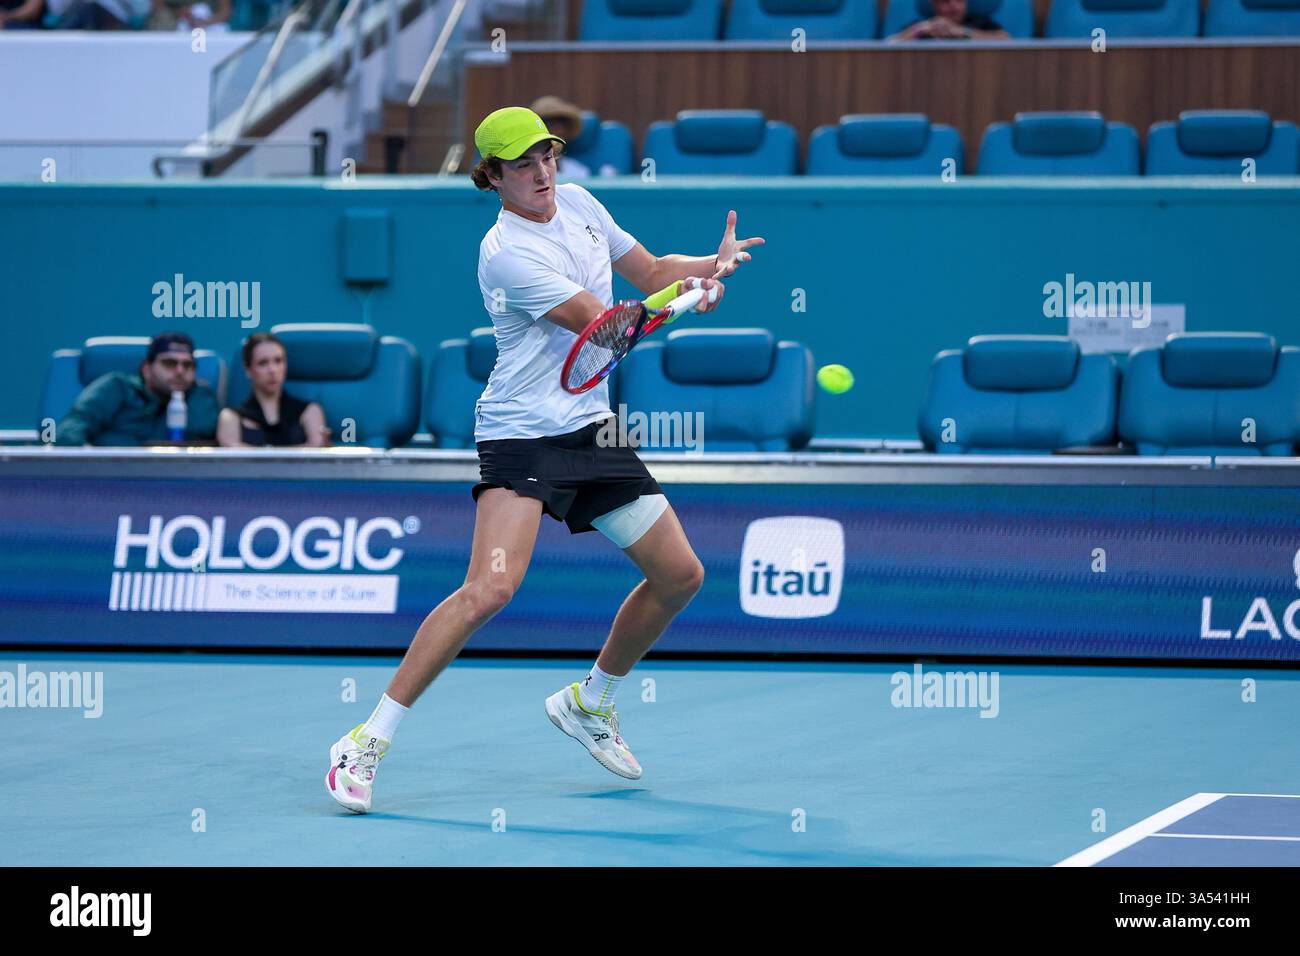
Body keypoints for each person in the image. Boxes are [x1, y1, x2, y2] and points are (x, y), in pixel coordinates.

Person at [324, 105, 763, 813]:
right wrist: (684, 302)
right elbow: (604, 324)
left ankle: (592, 702)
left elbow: (647, 270)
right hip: (522, 434)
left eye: (548, 156)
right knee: (490, 591)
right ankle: (366, 740)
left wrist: (708, 267)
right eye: (523, 164)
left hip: (590, 429)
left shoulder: (582, 203)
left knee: (680, 575)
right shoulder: (505, 253)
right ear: (492, 177)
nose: (542, 173)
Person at [55, 332, 220, 446]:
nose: (180, 371)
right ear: (146, 369)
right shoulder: (116, 387)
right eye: (169, 363)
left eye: (188, 365)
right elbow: (69, 431)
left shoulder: (201, 398)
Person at [216, 332, 328, 447]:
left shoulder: (310, 411)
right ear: (248, 370)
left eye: (278, 361)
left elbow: (316, 456)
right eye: (263, 363)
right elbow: (231, 459)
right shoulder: (230, 417)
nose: (272, 370)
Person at [529, 95, 604, 179]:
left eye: (561, 124)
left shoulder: (578, 171)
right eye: (550, 123)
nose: (558, 130)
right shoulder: (524, 171)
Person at [888, 0, 1009, 40]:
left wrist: (963, 32)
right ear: (934, 4)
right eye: (945, 1)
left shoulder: (980, 22)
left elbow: (1007, 41)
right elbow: (887, 45)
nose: (954, 7)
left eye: (959, 0)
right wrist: (919, 30)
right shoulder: (922, 26)